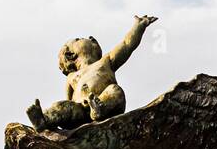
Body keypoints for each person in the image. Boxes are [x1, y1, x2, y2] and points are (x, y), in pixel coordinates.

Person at [27, 14, 157, 130]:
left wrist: (138, 26)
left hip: (104, 103)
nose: (89, 37)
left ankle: (100, 108)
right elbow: (69, 100)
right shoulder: (72, 77)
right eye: (78, 39)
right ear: (70, 55)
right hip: (81, 110)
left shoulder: (106, 61)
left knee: (115, 90)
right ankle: (44, 119)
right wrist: (67, 113)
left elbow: (127, 44)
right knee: (61, 106)